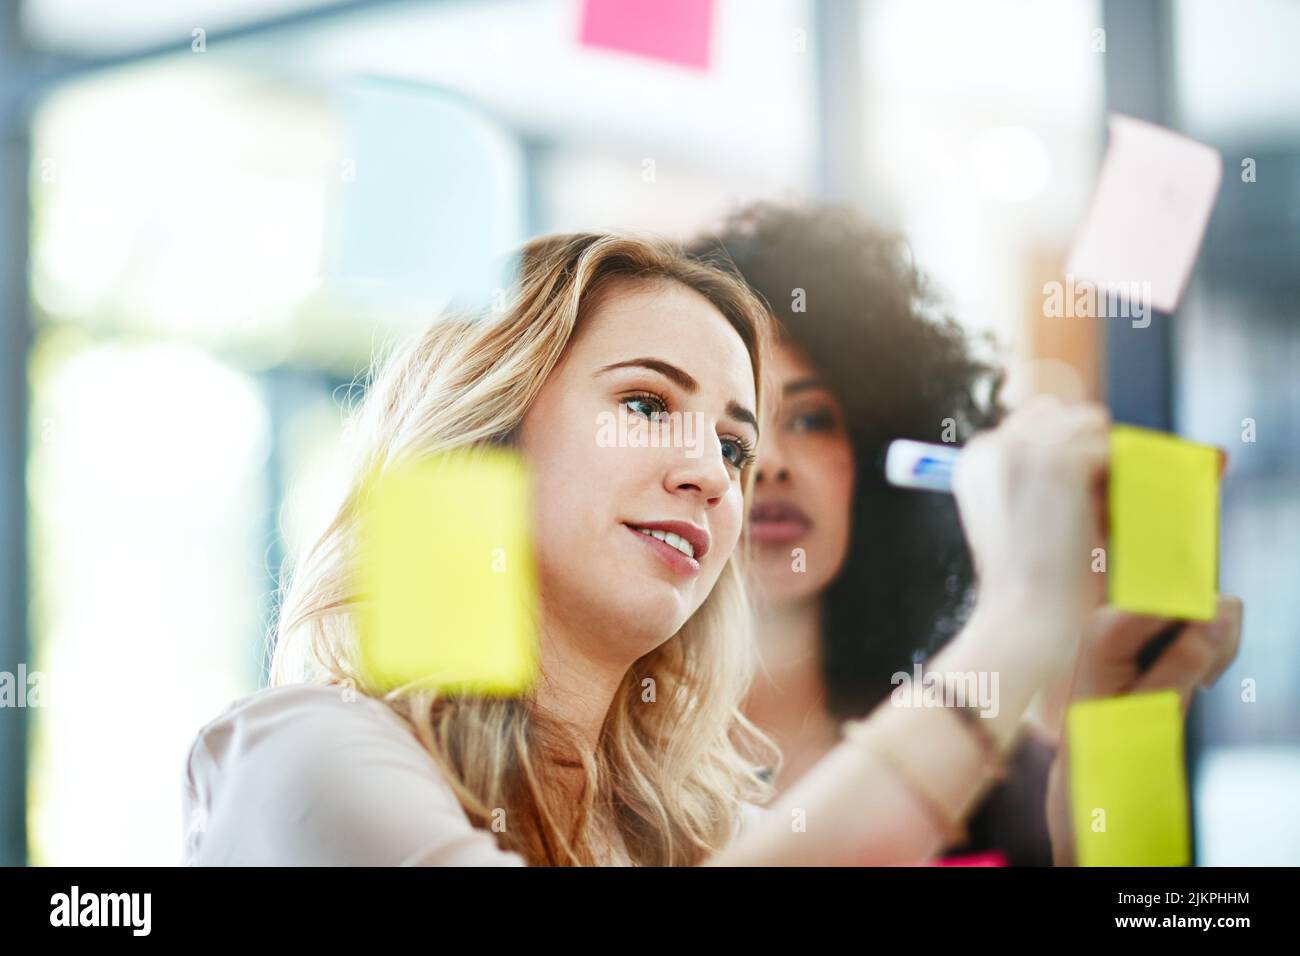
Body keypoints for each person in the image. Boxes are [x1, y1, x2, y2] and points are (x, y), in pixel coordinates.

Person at [183, 230, 1120, 866]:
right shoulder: (303, 755)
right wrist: (1016, 622)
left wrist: (1119, 707)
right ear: (486, 433)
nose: (715, 477)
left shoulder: (709, 834)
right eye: (645, 404)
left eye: (732, 445)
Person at [687, 203, 1243, 865]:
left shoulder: (1004, 776)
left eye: (812, 421)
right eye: (731, 431)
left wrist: (1123, 732)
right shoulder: (587, 775)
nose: (771, 460)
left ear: (868, 458)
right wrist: (1023, 616)